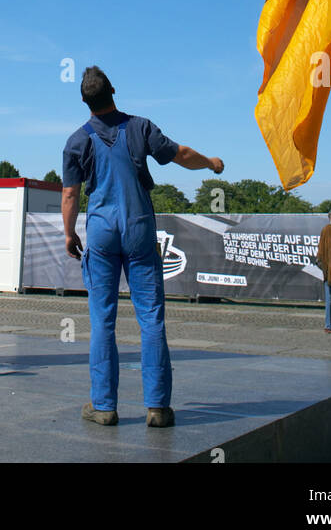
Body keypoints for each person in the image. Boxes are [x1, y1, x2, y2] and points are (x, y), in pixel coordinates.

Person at [62, 65, 224, 428]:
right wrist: (210, 163)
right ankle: (158, 408)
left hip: (102, 232)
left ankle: (103, 407)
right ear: (113, 91)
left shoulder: (76, 141)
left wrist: (70, 234)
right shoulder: (140, 127)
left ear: (85, 101)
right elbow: (180, 154)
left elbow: (71, 194)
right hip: (138, 228)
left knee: (103, 320)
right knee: (150, 318)